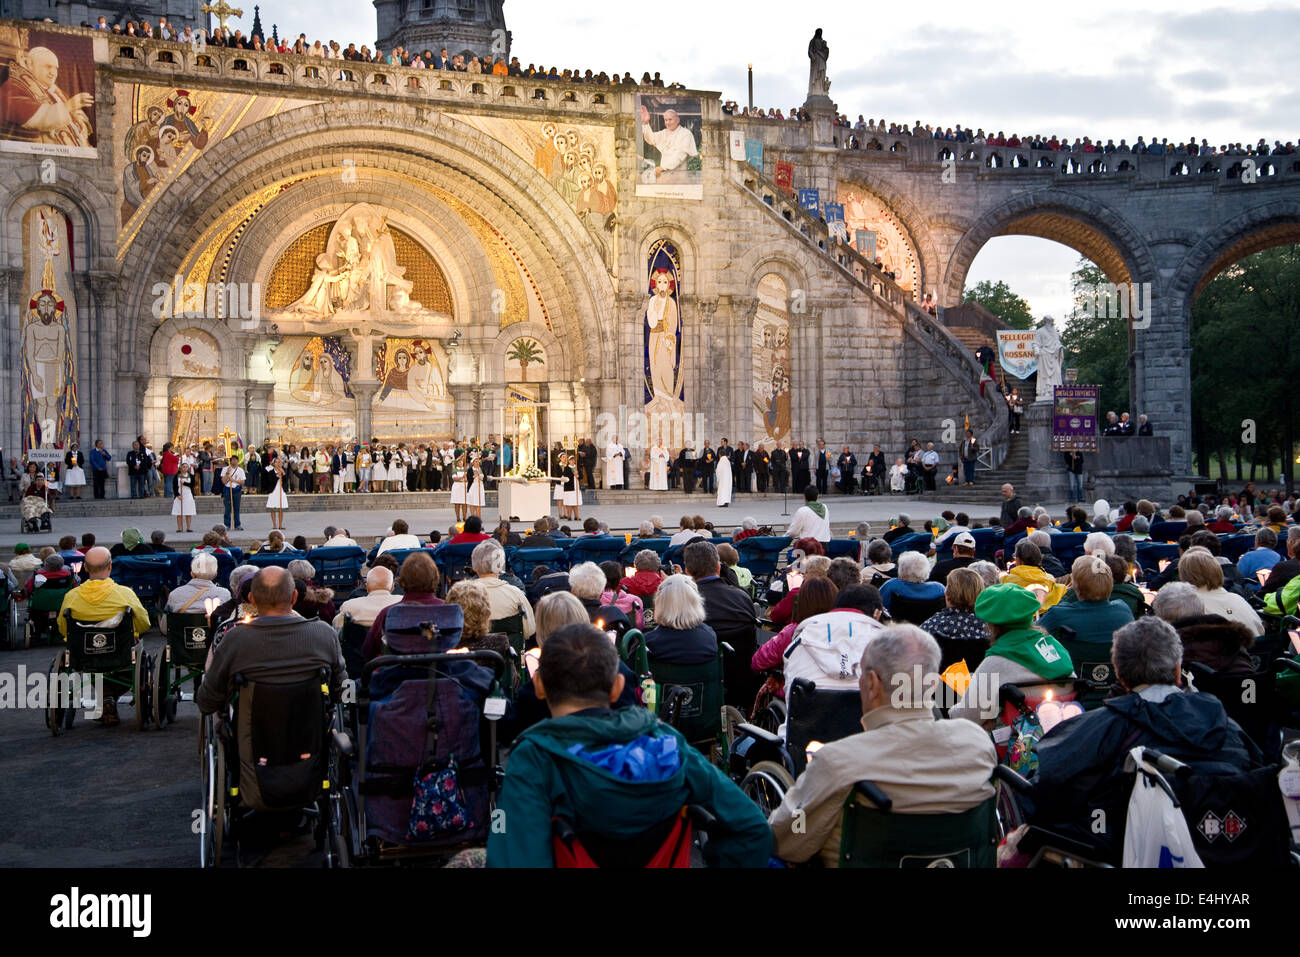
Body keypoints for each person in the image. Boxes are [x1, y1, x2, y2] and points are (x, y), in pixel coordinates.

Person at [486, 622, 771, 867]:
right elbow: (754, 828)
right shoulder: (668, 743)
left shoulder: (534, 758)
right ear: (617, 687)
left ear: (539, 687)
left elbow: (515, 856)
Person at [1026, 617, 1264, 864]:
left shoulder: (1100, 729)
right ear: (1177, 671)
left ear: (1119, 673)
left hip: (1123, 854)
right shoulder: (1227, 727)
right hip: (1229, 854)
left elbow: (1040, 793)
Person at [769, 624, 997, 867]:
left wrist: (803, 803)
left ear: (872, 683)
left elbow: (789, 838)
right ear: (932, 684)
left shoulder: (838, 762)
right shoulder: (978, 744)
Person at [196, 566, 347, 714]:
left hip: (249, 733)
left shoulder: (233, 638)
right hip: (311, 733)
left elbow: (207, 701)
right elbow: (344, 688)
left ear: (251, 599)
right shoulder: (324, 633)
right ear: (294, 597)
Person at [949, 582, 1074, 728]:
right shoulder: (1056, 649)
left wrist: (951, 712)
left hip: (1017, 745)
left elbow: (966, 717)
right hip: (1065, 735)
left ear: (992, 624)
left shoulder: (996, 663)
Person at [57, 548, 151, 726]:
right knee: (134, 655)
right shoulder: (124, 594)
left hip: (83, 654)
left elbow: (64, 629)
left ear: (85, 568)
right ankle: (108, 696)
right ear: (110, 566)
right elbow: (143, 624)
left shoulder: (72, 597)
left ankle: (106, 696)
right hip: (120, 654)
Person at [683, 541, 759, 709]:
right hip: (742, 681)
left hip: (699, 686)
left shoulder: (684, 602)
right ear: (718, 568)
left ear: (687, 571)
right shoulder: (742, 597)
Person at [781, 584, 887, 693]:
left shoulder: (804, 634)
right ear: (877, 614)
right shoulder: (884, 642)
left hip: (807, 706)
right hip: (864, 706)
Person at [363, 552, 445, 660]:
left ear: (402, 580)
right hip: (442, 673)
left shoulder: (388, 613)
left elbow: (368, 651)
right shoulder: (449, 609)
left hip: (398, 674)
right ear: (435, 577)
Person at [1037, 555, 1134, 644]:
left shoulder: (1057, 614)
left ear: (1076, 587)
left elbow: (1030, 638)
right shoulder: (1124, 611)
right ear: (1110, 584)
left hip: (1072, 662)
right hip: (1116, 662)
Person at [1178, 548, 1264, 637]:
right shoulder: (1238, 599)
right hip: (1256, 648)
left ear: (1183, 575)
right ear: (1218, 570)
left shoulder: (1190, 606)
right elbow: (1261, 631)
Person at [920, 567, 990, 670]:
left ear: (947, 593)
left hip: (941, 683)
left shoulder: (932, 626)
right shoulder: (992, 627)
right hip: (983, 682)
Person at [472, 541, 536, 641]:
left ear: (474, 566)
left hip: (472, 654)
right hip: (510, 653)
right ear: (500, 565)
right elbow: (529, 630)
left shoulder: (460, 594)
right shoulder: (516, 593)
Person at [162, 551, 230, 631]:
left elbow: (164, 628)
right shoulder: (225, 594)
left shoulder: (175, 594)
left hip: (182, 642)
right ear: (215, 575)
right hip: (214, 642)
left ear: (192, 574)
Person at [877, 551, 946, 620]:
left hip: (898, 628)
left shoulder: (892, 585)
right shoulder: (938, 588)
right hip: (930, 629)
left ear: (901, 569)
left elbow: (878, 609)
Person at [220, 454, 245, 530]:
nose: (234, 461)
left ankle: (237, 524)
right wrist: (227, 473)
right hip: (227, 488)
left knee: (236, 507)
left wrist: (233, 480)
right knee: (227, 507)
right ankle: (227, 524)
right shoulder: (225, 469)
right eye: (233, 460)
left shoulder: (240, 470)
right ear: (230, 461)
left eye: (236, 460)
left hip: (236, 489)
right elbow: (223, 481)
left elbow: (242, 482)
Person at [172, 462, 197, 533]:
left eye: (186, 467)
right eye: (183, 467)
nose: (185, 468)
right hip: (180, 494)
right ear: (181, 467)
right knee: (179, 512)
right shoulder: (177, 476)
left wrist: (184, 483)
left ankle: (188, 527)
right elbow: (174, 486)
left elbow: (192, 485)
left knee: (188, 512)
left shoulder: (191, 476)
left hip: (188, 494)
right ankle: (180, 528)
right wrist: (177, 495)